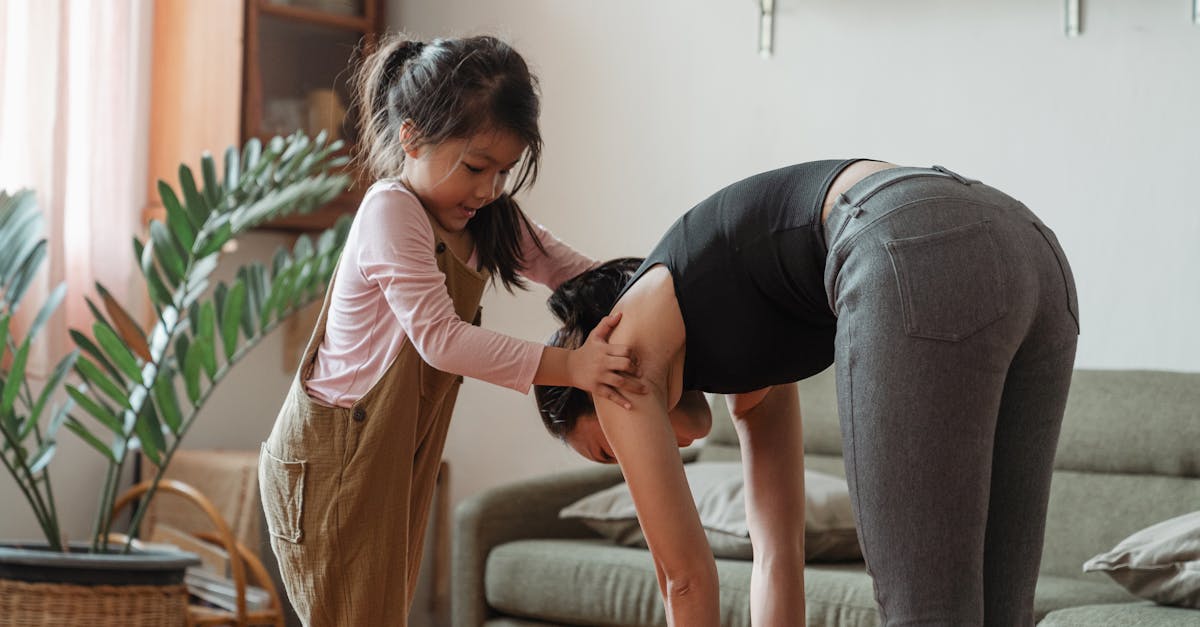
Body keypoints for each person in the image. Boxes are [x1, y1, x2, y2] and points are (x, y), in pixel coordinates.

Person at [534, 159, 1080, 626]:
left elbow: (685, 579)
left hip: (908, 237)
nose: (641, 456)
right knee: (1001, 609)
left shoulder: (615, 363)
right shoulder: (738, 341)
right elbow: (777, 554)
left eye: (611, 449)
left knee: (928, 609)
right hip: (1030, 247)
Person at [258, 34, 644, 626]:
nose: (489, 188)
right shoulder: (391, 210)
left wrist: (658, 290)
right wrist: (572, 366)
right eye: (475, 167)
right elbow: (440, 338)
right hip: (337, 457)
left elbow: (572, 271)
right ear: (411, 136)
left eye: (504, 171)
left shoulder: (486, 218)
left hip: (396, 446)